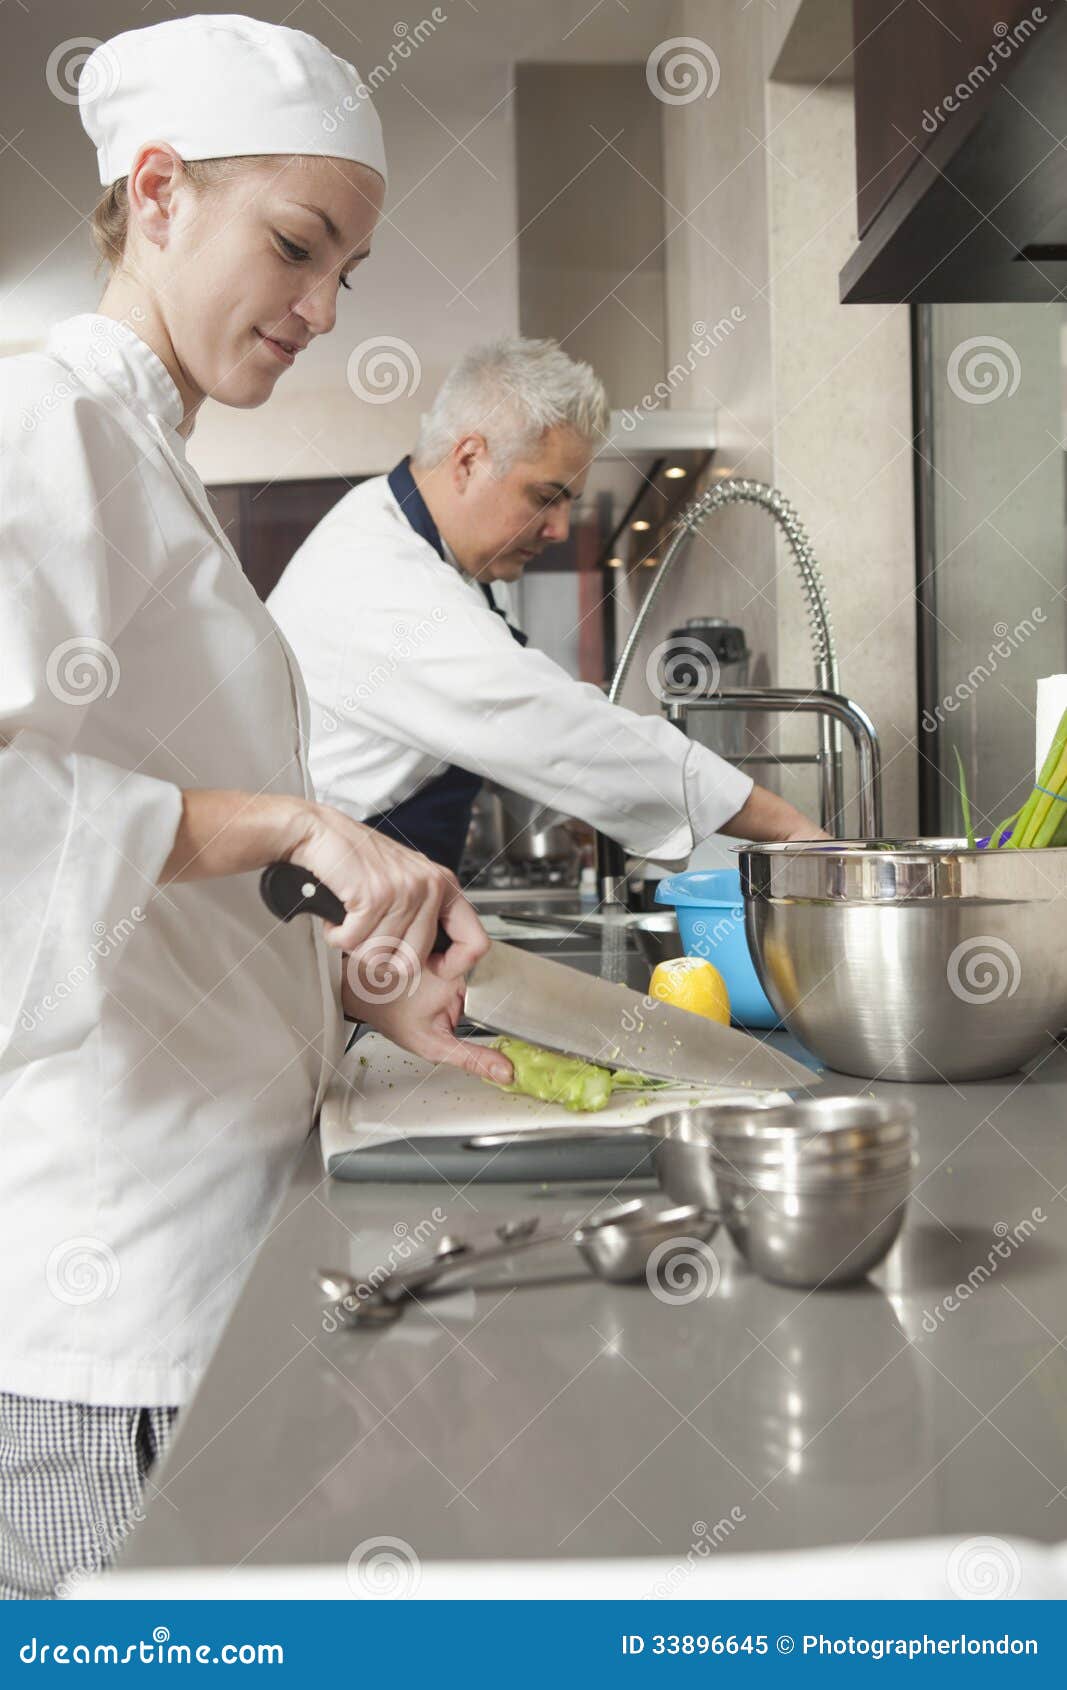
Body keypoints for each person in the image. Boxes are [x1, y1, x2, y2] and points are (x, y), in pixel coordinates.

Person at [0, 14, 508, 1601]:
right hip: (111, 1305)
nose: (321, 307)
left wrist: (358, 981)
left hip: (206, 1270)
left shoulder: (151, 466)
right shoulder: (49, 424)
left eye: (346, 269)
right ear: (155, 193)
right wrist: (289, 827)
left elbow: (151, 872)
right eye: (295, 246)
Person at [268, 338, 826, 878]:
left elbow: (529, 732)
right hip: (322, 910)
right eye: (544, 497)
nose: (559, 529)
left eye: (569, 503)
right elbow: (558, 726)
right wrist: (790, 828)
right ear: (468, 461)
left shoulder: (446, 562)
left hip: (376, 898)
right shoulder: (384, 580)